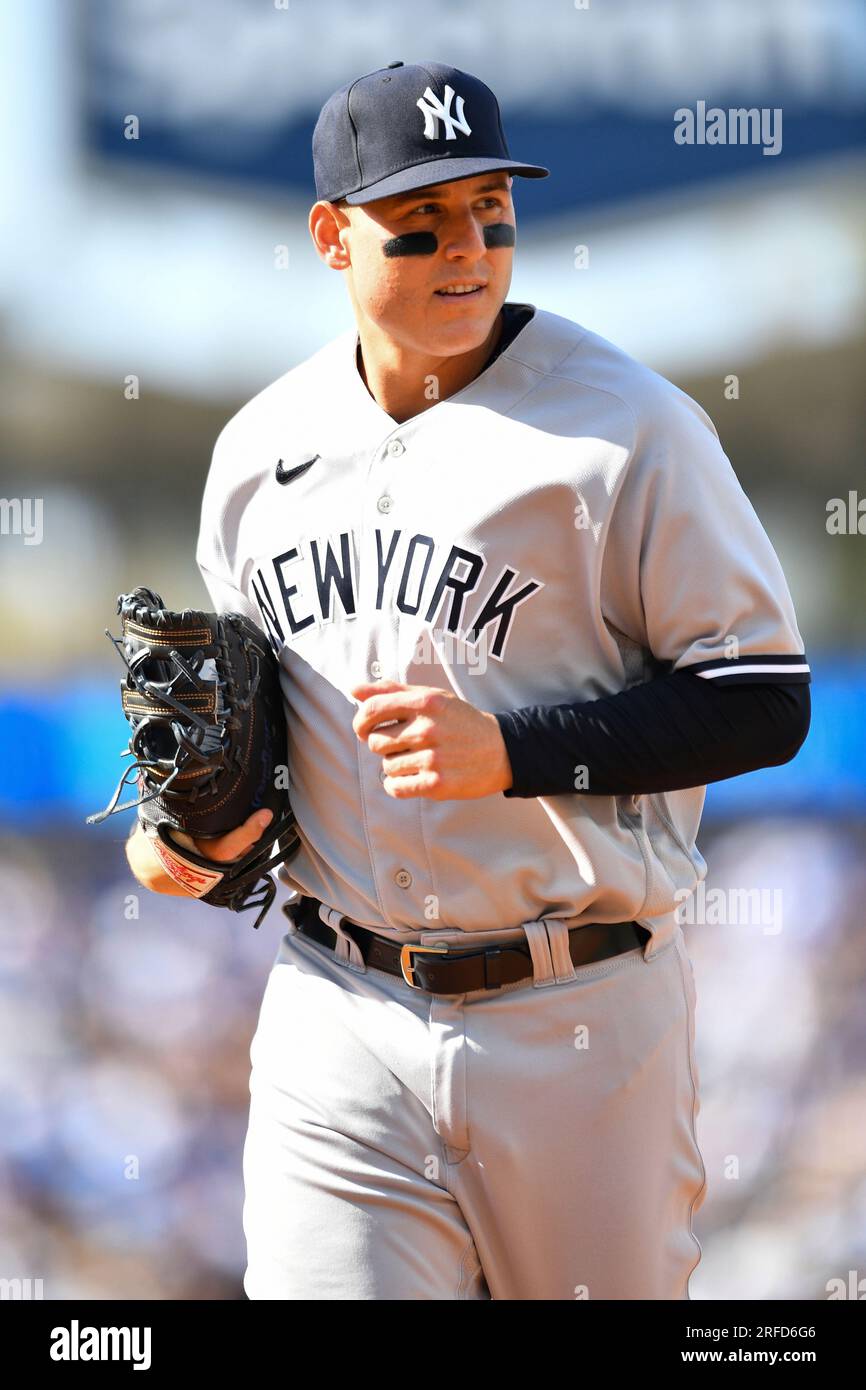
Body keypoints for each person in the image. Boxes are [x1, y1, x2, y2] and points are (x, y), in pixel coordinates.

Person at [126, 60, 811, 1300]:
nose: (468, 249)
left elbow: (763, 699)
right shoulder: (255, 454)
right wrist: (192, 839)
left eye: (490, 210)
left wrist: (515, 754)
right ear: (331, 236)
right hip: (336, 1005)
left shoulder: (628, 432)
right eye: (421, 221)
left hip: (580, 1015)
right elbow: (242, 735)